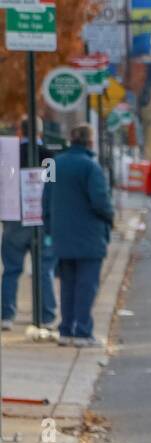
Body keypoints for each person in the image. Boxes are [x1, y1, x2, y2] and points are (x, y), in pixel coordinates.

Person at [41, 125, 115, 348]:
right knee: (86, 285)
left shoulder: (54, 163)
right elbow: (100, 201)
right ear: (90, 141)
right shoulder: (90, 167)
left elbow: (46, 199)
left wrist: (49, 227)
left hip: (61, 234)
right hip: (88, 235)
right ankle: (83, 331)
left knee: (67, 284)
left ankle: (66, 329)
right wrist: (110, 218)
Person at [2, 119, 57, 335]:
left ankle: (6, 315)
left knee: (11, 269)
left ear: (19, 130)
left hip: (14, 217)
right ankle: (47, 316)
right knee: (44, 270)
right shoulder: (48, 155)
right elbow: (53, 186)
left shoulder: (9, 156)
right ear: (41, 131)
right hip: (41, 217)